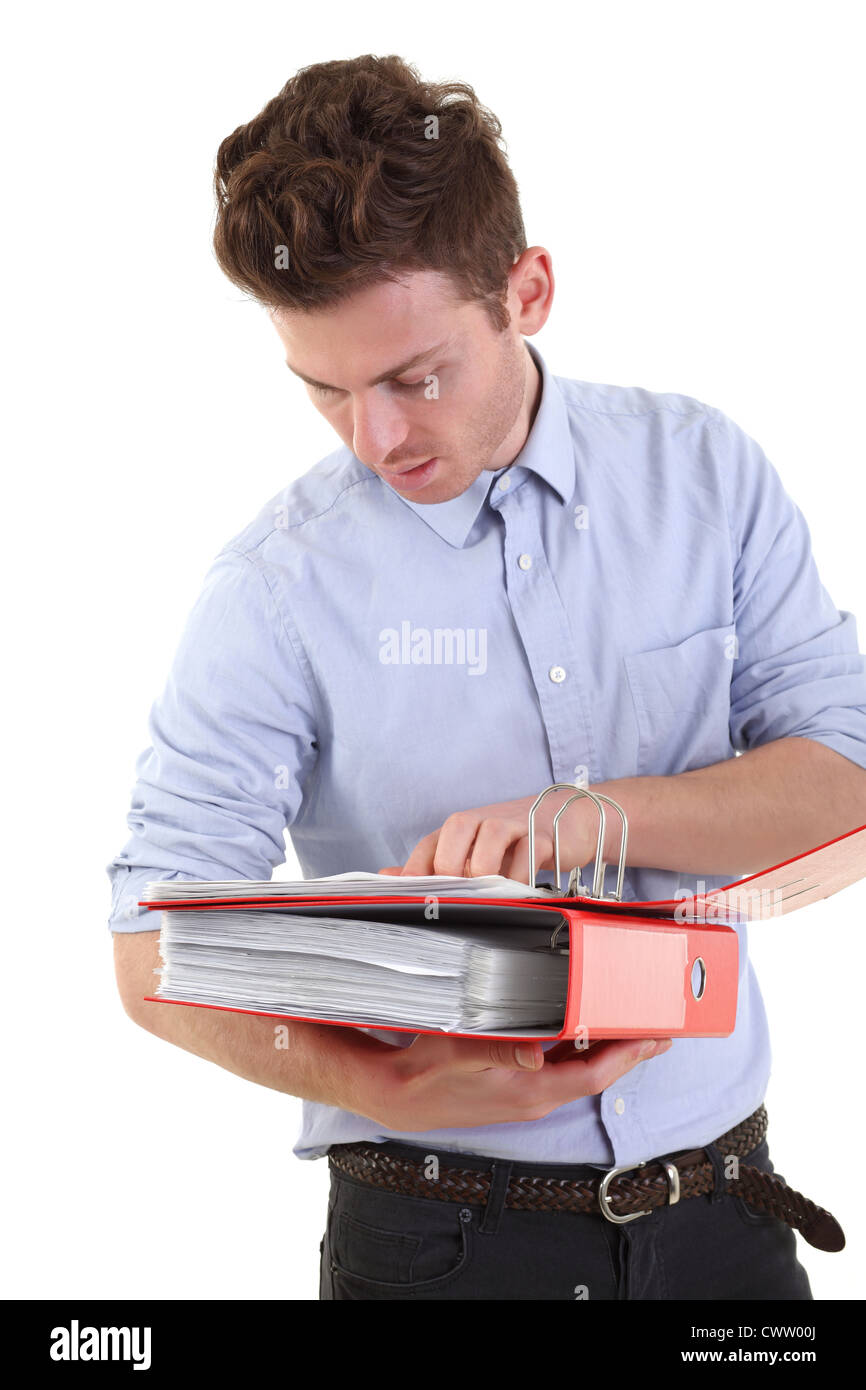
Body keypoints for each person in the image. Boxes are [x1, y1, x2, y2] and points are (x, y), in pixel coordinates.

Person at [108, 54, 866, 1300]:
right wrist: (378, 1078)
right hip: (438, 1245)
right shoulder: (274, 590)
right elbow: (149, 942)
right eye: (325, 390)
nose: (377, 439)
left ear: (528, 290)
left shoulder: (705, 477)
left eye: (414, 377)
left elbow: (844, 789)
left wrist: (579, 817)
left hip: (728, 1222)